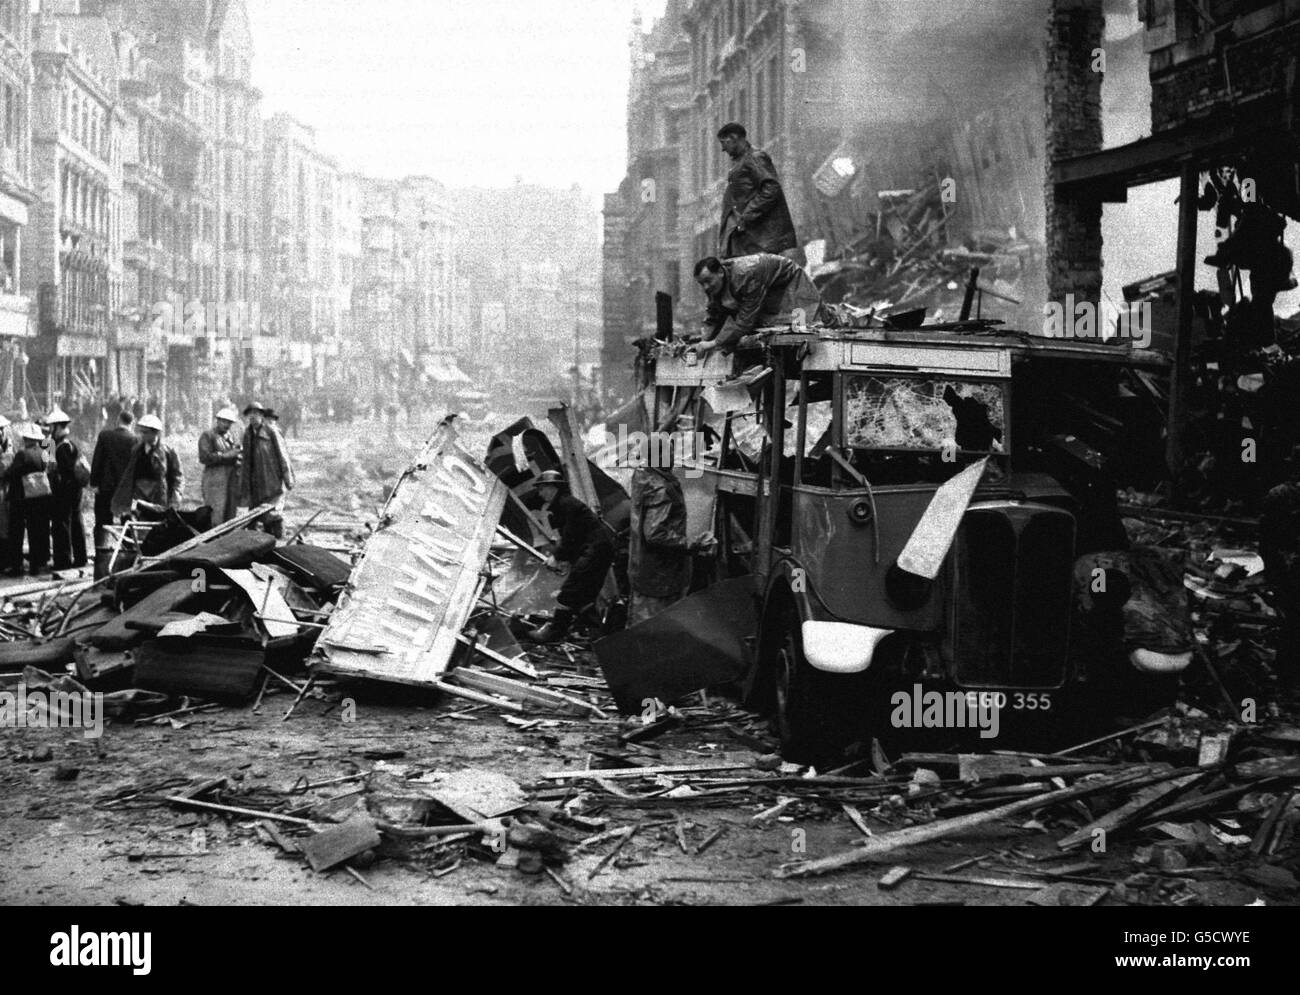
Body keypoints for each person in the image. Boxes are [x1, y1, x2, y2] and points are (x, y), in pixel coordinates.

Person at [526, 470, 614, 644]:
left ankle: (555, 633)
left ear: (553, 487)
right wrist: (564, 559)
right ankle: (596, 634)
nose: (540, 493)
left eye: (543, 488)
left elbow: (571, 536)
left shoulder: (567, 505)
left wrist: (557, 557)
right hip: (598, 550)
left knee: (569, 592)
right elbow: (577, 538)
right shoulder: (564, 504)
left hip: (596, 551)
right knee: (585, 594)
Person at [692, 253, 822, 356]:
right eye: (701, 283)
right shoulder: (714, 285)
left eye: (708, 281)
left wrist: (713, 343)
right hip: (766, 291)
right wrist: (702, 342)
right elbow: (713, 316)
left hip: (789, 284)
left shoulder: (746, 274)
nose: (706, 287)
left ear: (720, 272)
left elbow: (745, 322)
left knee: (800, 330)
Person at [628, 448, 692, 626]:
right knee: (657, 626)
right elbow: (655, 534)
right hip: (661, 573)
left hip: (642, 566)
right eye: (668, 453)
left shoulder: (642, 477)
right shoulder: (661, 489)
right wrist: (690, 544)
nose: (672, 457)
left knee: (640, 621)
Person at [716, 122, 797, 259]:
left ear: (735, 138)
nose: (723, 149)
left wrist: (747, 216)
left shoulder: (755, 157)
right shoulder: (742, 161)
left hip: (758, 239)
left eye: (724, 142)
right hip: (749, 238)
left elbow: (771, 188)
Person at [111, 413, 183, 522]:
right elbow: (129, 475)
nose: (142, 435)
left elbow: (178, 477)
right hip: (139, 495)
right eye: (141, 432)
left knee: (158, 525)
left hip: (159, 496)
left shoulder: (168, 451)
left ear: (156, 433)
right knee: (137, 524)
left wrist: (175, 500)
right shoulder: (136, 450)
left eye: (145, 432)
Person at [240, 401, 293, 538]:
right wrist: (245, 484)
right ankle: (266, 541)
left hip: (272, 478)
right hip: (256, 481)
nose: (253, 416)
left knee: (274, 513)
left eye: (256, 413)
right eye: (250, 414)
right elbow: (246, 461)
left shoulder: (271, 431)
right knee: (259, 513)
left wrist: (288, 478)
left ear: (261, 415)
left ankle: (279, 538)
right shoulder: (247, 434)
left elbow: (283, 455)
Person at [7, 425, 52, 576]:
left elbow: (12, 473)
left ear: (27, 439)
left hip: (21, 498)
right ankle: (37, 565)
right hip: (40, 497)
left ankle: (16, 566)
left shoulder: (22, 454)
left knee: (16, 532)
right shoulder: (44, 453)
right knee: (37, 531)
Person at [46, 407, 88, 571]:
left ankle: (63, 561)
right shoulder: (69, 444)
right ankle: (80, 557)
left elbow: (58, 469)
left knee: (61, 524)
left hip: (64, 491)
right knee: (76, 522)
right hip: (75, 490)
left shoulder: (62, 448)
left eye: (51, 426)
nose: (49, 429)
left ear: (57, 426)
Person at [90, 409, 137, 537]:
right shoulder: (135, 440)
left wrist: (94, 483)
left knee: (102, 522)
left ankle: (102, 547)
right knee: (128, 523)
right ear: (132, 423)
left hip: (105, 487)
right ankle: (128, 547)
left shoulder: (104, 436)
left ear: (118, 420)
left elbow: (97, 460)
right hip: (126, 490)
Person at [198, 406, 242, 525]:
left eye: (229, 423)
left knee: (230, 510)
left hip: (231, 476)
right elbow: (204, 457)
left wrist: (237, 456)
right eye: (224, 421)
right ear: (217, 421)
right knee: (215, 510)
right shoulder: (208, 435)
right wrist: (225, 455)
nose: (226, 425)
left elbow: (237, 453)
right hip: (214, 476)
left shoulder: (231, 436)